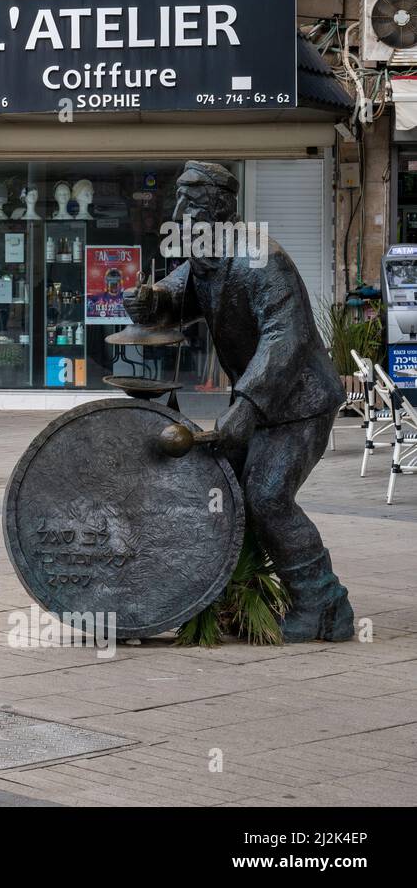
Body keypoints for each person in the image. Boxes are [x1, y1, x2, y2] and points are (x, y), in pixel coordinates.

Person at [123, 160, 353, 642]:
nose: (179, 211)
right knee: (222, 490)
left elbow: (282, 339)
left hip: (299, 401)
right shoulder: (210, 258)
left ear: (221, 209)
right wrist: (152, 301)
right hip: (261, 400)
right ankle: (232, 593)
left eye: (192, 203)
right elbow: (178, 292)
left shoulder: (260, 260)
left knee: (267, 497)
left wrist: (245, 406)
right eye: (179, 201)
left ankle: (325, 603)